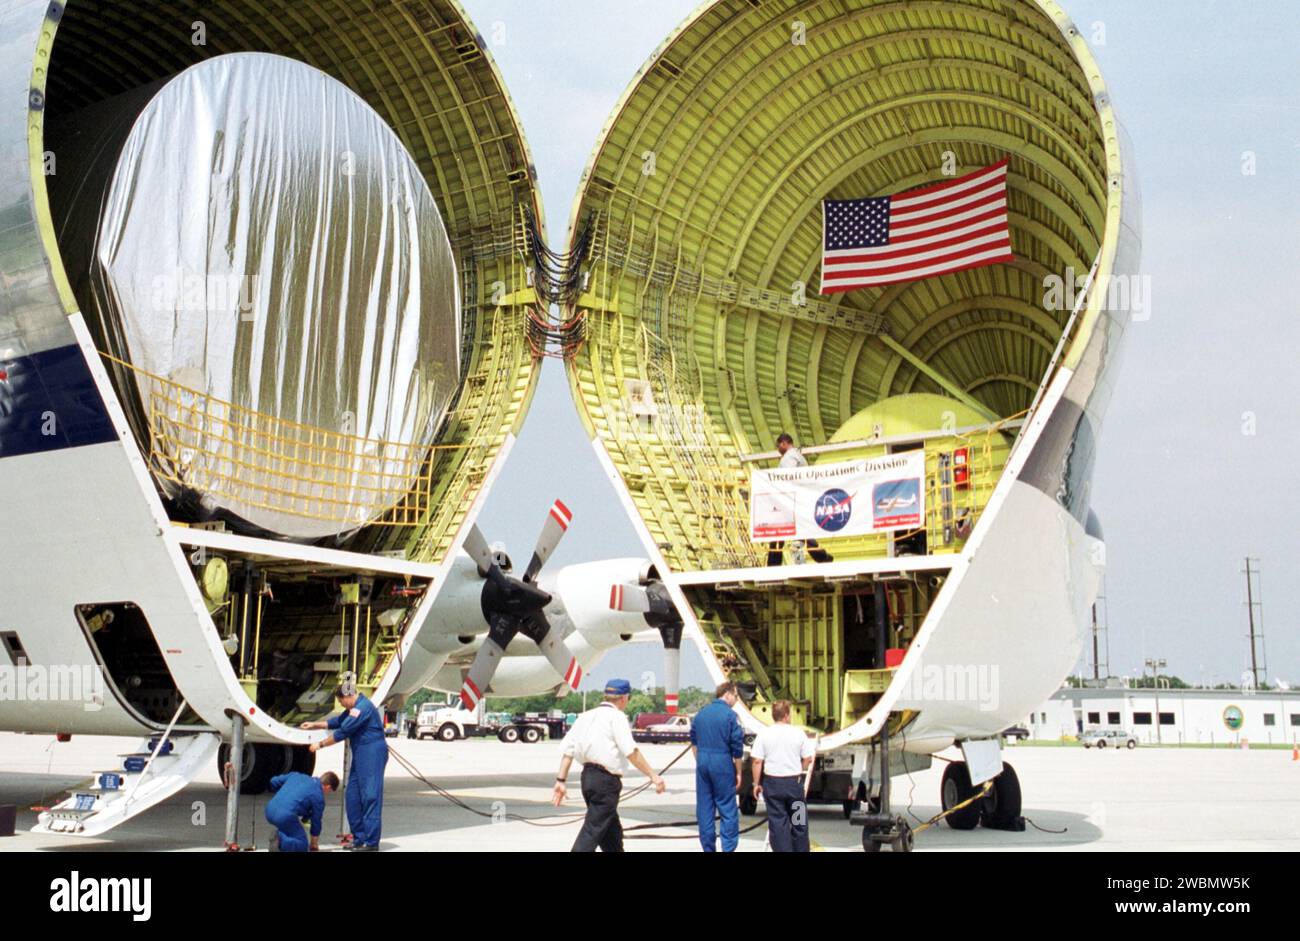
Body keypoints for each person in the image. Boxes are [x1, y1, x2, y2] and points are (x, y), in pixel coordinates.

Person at [552, 679, 666, 852]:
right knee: (592, 830)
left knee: (611, 834)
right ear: (624, 698)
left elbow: (568, 751)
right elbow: (631, 752)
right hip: (605, 782)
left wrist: (561, 780)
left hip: (588, 779)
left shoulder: (586, 716)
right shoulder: (617, 717)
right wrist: (653, 775)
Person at [301, 677, 388, 851]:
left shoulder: (362, 709)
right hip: (361, 755)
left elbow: (342, 732)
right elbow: (338, 721)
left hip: (372, 753)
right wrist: (315, 725)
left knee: (370, 796)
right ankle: (359, 838)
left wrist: (319, 745)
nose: (342, 705)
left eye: (341, 701)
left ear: (348, 696)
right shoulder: (353, 709)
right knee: (352, 797)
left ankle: (371, 843)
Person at [750, 700, 816, 852]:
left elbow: (757, 761)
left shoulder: (764, 734)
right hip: (794, 784)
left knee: (778, 823)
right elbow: (808, 758)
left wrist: (755, 784)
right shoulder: (798, 733)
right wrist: (799, 769)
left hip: (773, 785)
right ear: (786, 715)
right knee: (799, 821)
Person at [691, 681, 745, 852]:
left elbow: (694, 742)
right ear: (727, 694)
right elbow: (737, 748)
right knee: (728, 809)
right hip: (721, 761)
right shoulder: (731, 715)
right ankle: (728, 849)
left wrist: (701, 762)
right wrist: (738, 772)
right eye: (736, 696)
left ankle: (708, 848)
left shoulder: (701, 714)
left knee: (705, 809)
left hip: (702, 761)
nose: (736, 700)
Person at [768, 433, 833, 566]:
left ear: (784, 443)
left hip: (790, 501)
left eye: (778, 446)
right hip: (799, 501)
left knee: (779, 532)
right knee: (800, 533)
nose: (778, 450)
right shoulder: (799, 457)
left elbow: (787, 476)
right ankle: (822, 557)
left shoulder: (789, 457)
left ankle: (773, 566)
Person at [265, 771, 338, 852]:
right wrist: (314, 843)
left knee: (290, 830)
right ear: (327, 787)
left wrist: (283, 795)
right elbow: (316, 821)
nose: (327, 793)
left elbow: (273, 781)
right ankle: (280, 840)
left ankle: (281, 837)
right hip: (285, 816)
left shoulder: (296, 775)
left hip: (269, 809)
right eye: (329, 791)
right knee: (302, 844)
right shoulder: (318, 797)